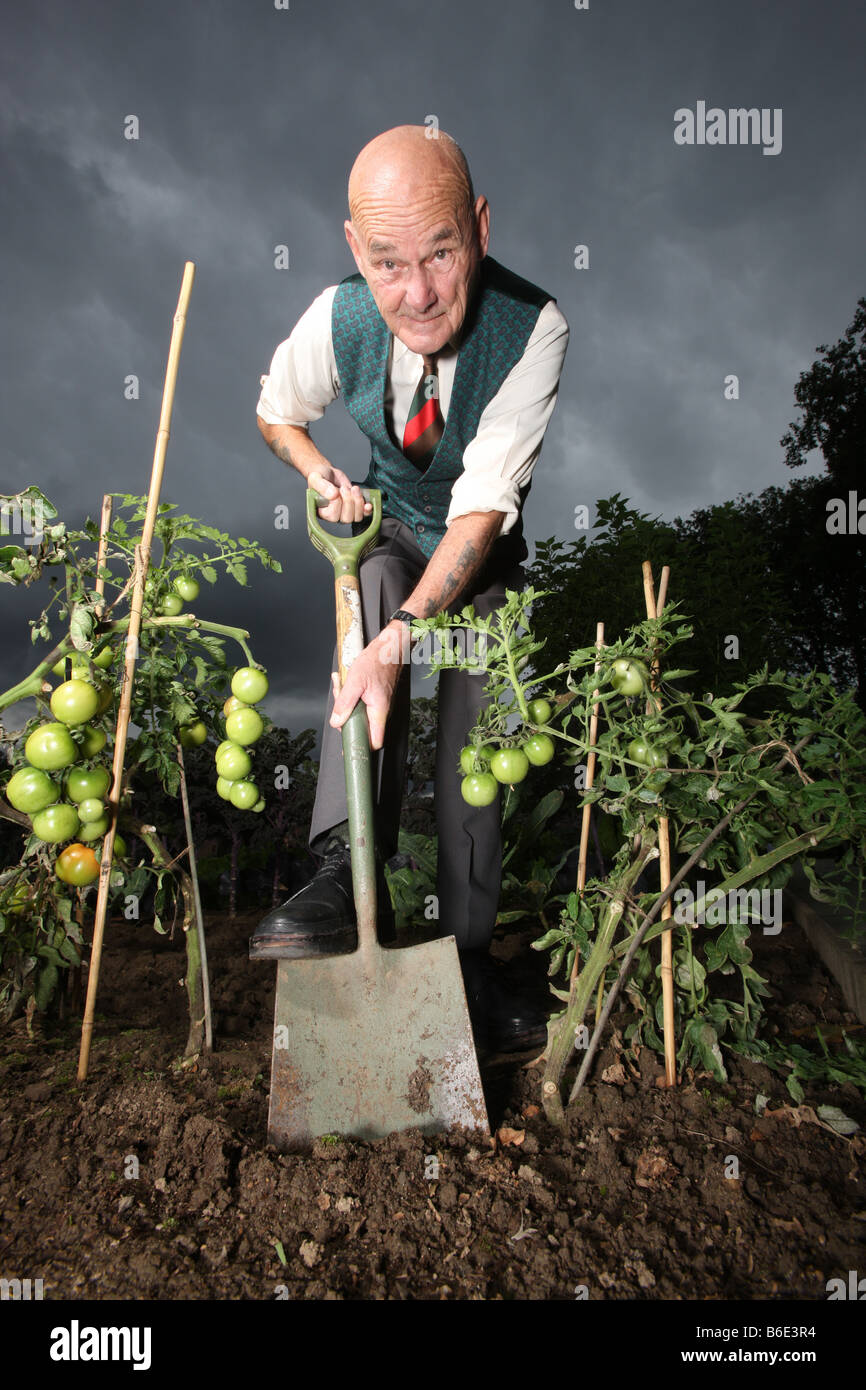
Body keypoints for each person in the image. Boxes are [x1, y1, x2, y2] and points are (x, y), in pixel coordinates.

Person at [250, 125, 568, 1052]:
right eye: (387, 262)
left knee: (477, 758)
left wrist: (411, 639)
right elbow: (277, 411)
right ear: (356, 248)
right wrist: (317, 472)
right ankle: (340, 875)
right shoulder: (341, 316)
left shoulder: (533, 328)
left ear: (477, 225)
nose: (418, 294)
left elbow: (482, 509)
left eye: (440, 252)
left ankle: (467, 965)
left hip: (481, 559)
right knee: (374, 590)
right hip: (390, 529)